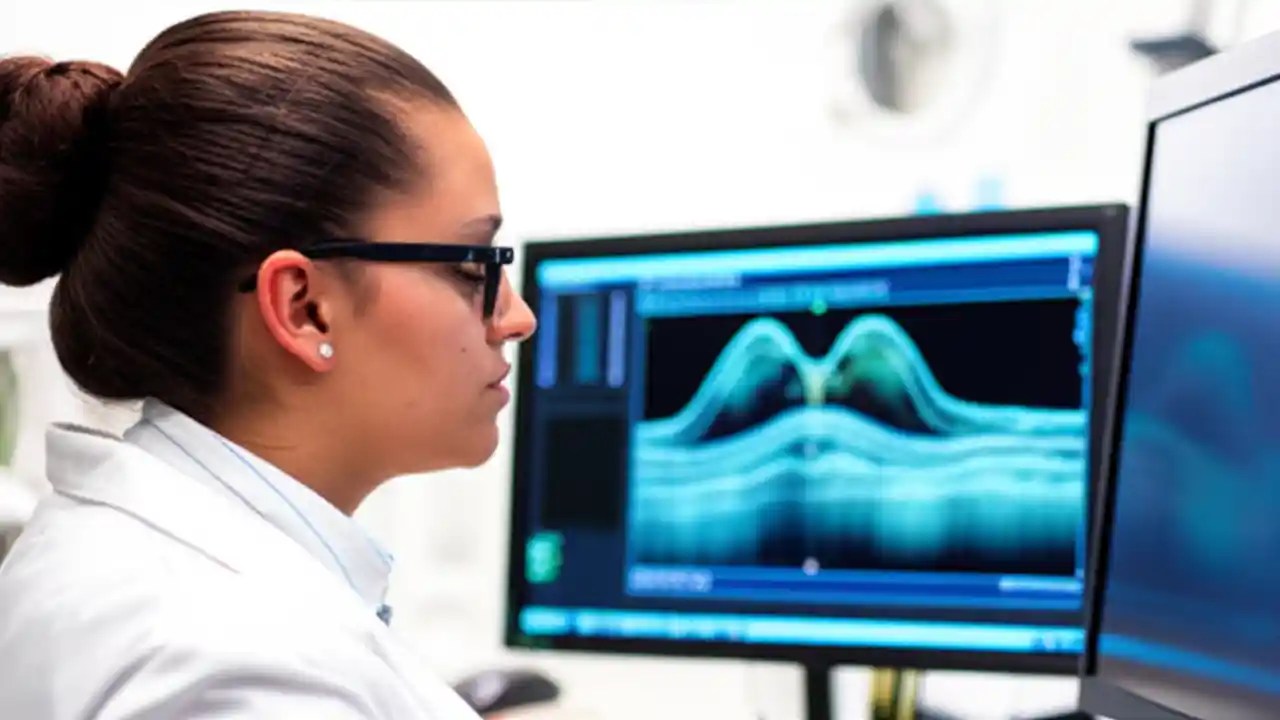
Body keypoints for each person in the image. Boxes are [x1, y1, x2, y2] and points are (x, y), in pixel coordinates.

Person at [0, 9, 536, 719]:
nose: (516, 318)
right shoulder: (237, 665)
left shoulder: (152, 575)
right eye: (474, 264)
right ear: (304, 307)